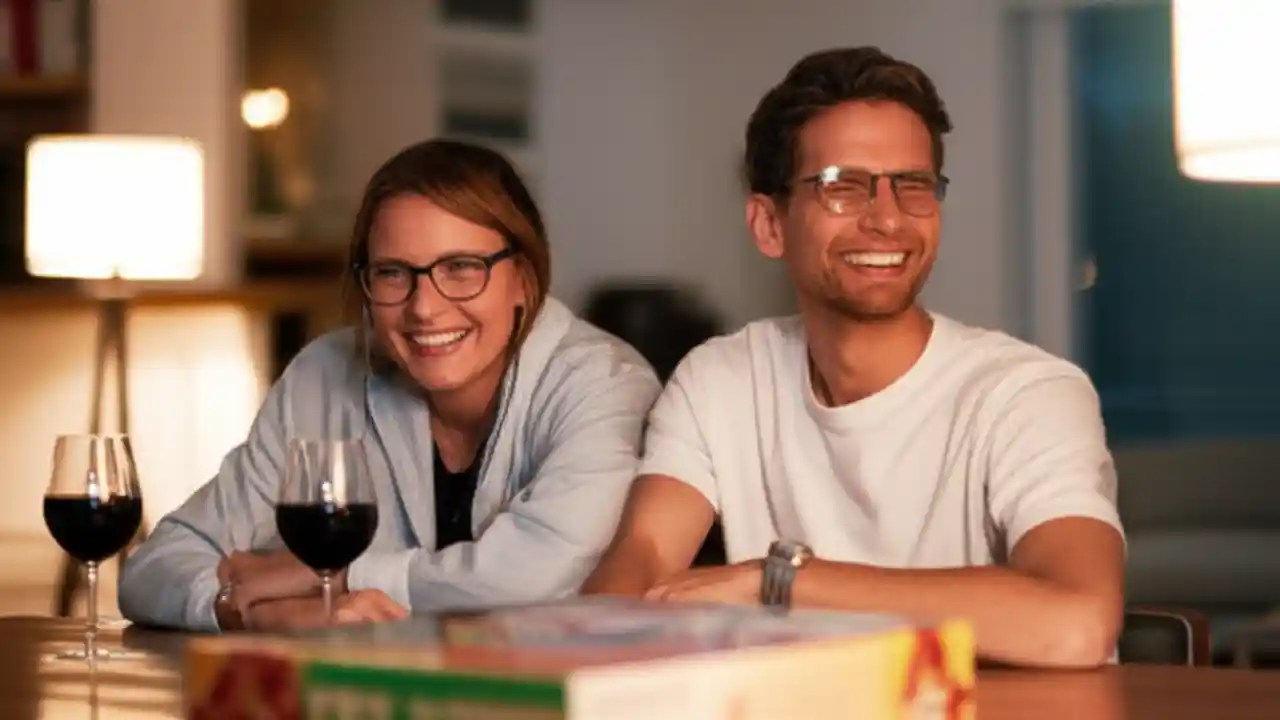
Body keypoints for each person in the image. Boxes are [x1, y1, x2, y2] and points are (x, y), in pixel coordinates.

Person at [582, 47, 1125, 668]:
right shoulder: (721, 379)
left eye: (912, 186)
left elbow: (1076, 622)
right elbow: (643, 557)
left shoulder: (1027, 393)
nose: (889, 219)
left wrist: (780, 581)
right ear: (769, 224)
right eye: (844, 187)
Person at [120, 139, 661, 631]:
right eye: (393, 273)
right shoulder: (325, 375)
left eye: (462, 268)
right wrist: (257, 612)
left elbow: (541, 575)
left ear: (524, 277)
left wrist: (339, 577)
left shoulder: (605, 385)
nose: (424, 307)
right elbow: (157, 566)